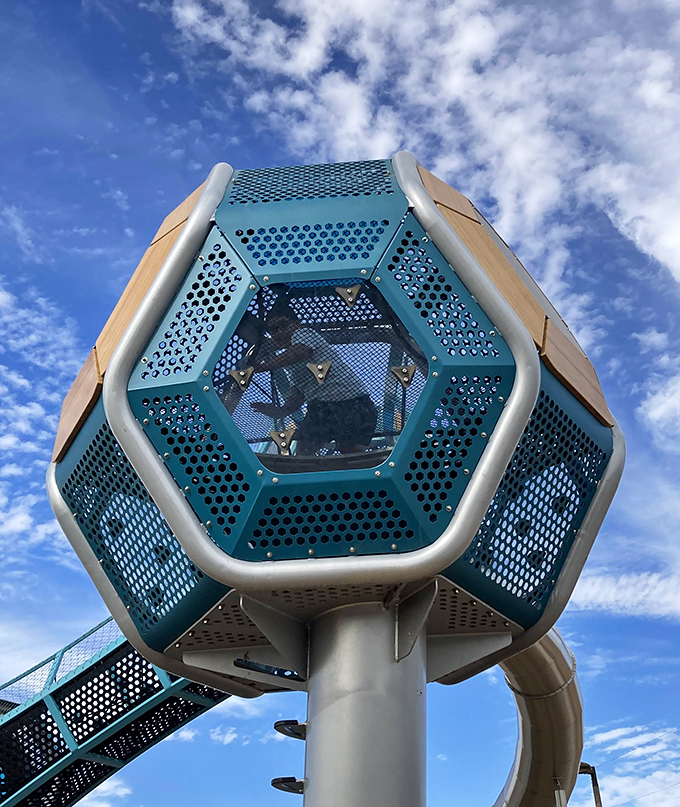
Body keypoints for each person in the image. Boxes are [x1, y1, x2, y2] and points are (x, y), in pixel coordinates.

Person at [250, 299, 377, 456]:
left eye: (283, 326)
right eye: (273, 330)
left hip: (353, 404)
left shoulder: (305, 334)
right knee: (304, 450)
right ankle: (305, 470)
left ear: (296, 324)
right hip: (323, 410)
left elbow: (300, 352)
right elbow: (298, 395)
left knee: (350, 453)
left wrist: (264, 366)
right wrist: (280, 411)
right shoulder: (291, 366)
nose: (279, 333)